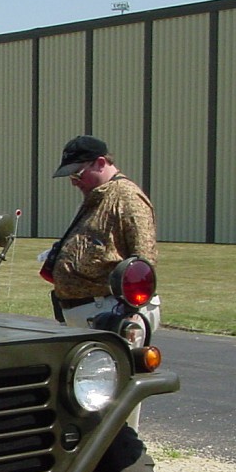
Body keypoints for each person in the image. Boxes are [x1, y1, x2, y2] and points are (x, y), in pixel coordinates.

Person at [42, 135, 160, 429]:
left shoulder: (127, 199)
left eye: (78, 173)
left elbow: (143, 261)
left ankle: (119, 450)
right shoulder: (97, 197)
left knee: (115, 391)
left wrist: (131, 313)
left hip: (111, 313)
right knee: (87, 392)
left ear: (102, 163)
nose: (74, 181)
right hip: (87, 312)